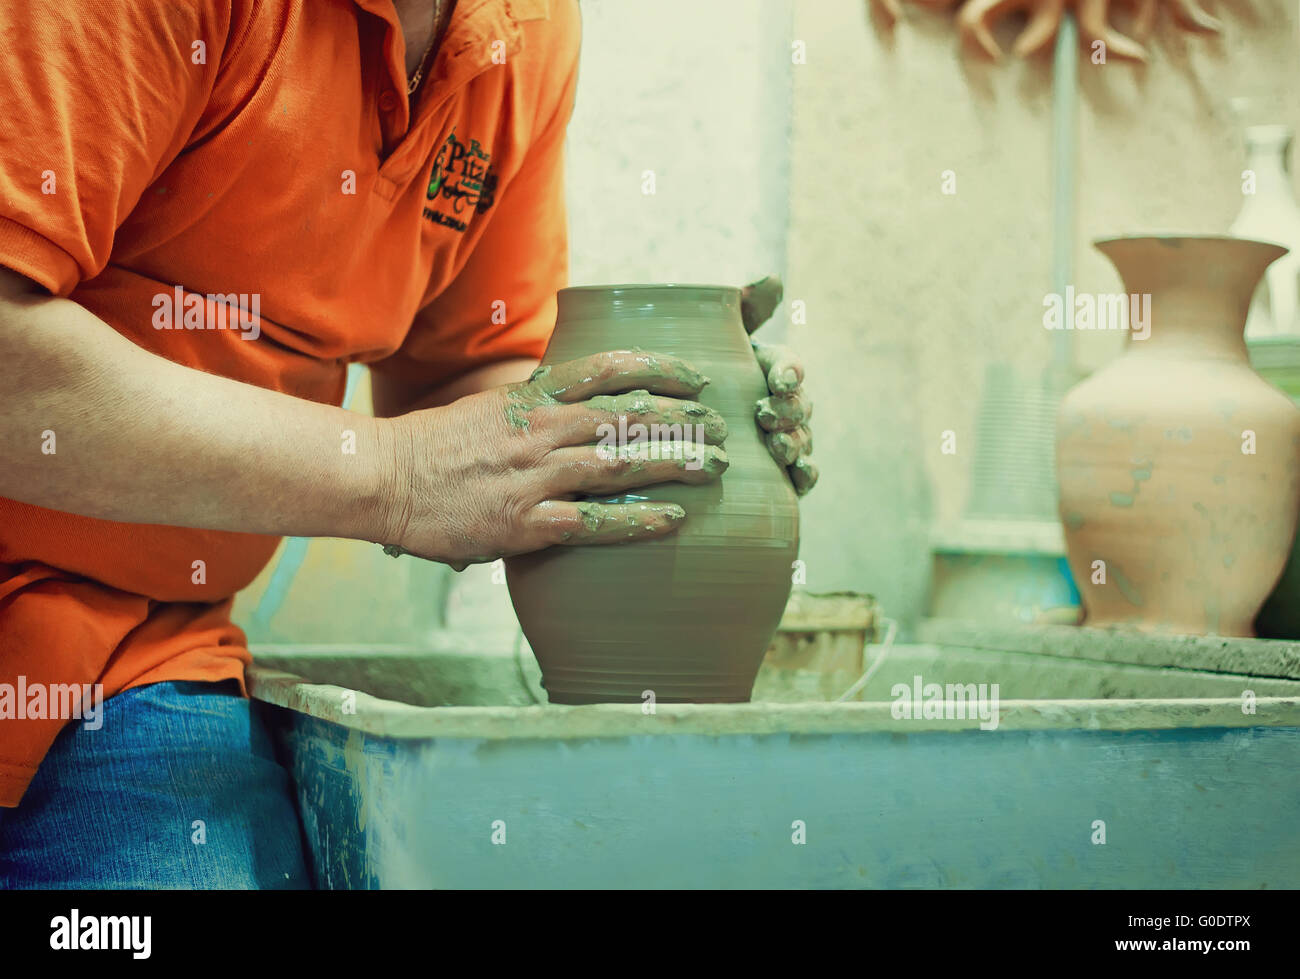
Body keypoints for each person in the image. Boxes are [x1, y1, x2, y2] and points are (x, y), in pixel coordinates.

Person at [0, 0, 817, 887]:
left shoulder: (521, 29)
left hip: (138, 651)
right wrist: (393, 474)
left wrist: (665, 418)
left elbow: (466, 382)